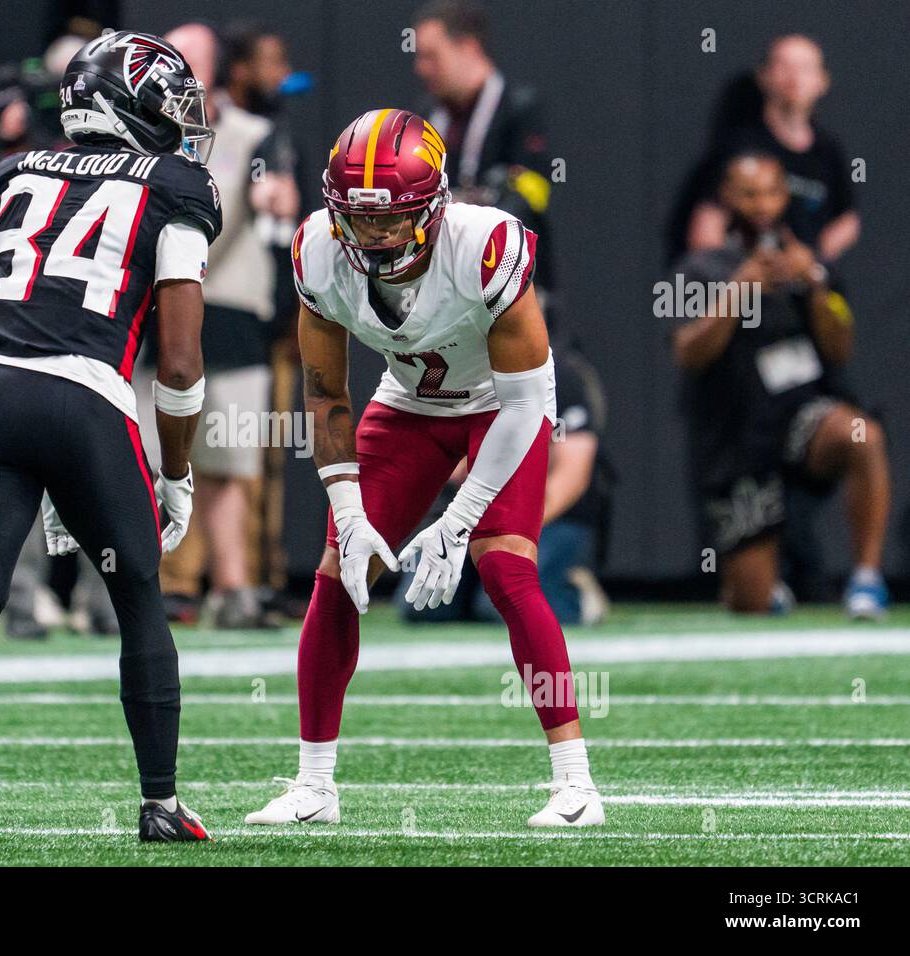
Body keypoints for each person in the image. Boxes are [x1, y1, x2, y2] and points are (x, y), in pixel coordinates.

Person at [0, 31, 223, 847]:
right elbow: (184, 359)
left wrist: (11, 391)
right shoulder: (177, 184)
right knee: (138, 602)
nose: (181, 119)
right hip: (87, 397)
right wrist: (177, 468)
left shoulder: (16, 168)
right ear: (130, 106)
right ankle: (160, 802)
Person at [244, 109, 603, 829]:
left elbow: (529, 402)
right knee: (337, 574)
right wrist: (347, 510)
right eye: (359, 220)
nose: (373, 238)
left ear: (435, 206)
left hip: (502, 407)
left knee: (505, 567)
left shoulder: (484, 245)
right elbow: (323, 392)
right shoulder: (317, 247)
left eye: (392, 220)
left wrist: (459, 518)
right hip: (408, 404)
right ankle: (315, 786)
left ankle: (576, 785)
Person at [671, 152, 889, 618]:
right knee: (750, 602)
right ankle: (762, 583)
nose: (762, 204)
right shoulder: (703, 268)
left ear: (784, 195)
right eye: (749, 193)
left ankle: (867, 580)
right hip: (737, 435)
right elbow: (688, 352)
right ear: (728, 197)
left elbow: (840, 348)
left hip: (801, 417)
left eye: (771, 191)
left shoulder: (807, 264)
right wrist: (738, 289)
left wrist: (815, 287)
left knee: (863, 436)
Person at [131, 23, 299, 629]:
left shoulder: (253, 136)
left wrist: (279, 198)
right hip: (153, 316)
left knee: (228, 465)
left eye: (188, 67)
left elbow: (252, 214)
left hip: (228, 314)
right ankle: (141, 590)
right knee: (147, 460)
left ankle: (233, 590)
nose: (176, 80)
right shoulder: (142, 139)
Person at [395, 345, 611, 626]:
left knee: (505, 601)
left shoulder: (562, 376)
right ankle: (472, 588)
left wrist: (515, 528)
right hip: (474, 511)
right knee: (422, 604)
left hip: (547, 516)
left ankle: (578, 595)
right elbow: (445, 465)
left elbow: (572, 475)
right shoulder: (457, 375)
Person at [412, 0, 554, 292]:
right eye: (419, 57)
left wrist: (471, 208)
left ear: (468, 47)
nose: (421, 68)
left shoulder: (519, 109)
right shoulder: (427, 115)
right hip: (441, 289)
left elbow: (535, 196)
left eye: (431, 57)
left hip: (511, 282)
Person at [686, 35, 859, 263]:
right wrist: (736, 283)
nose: (794, 78)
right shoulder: (739, 148)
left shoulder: (828, 151)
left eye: (805, 68)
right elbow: (707, 227)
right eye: (784, 66)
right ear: (764, 76)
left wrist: (812, 262)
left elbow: (847, 219)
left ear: (822, 80)